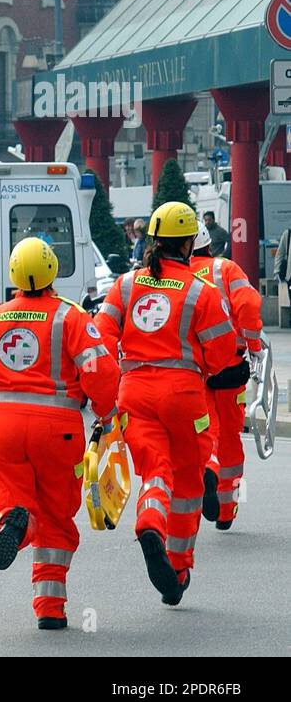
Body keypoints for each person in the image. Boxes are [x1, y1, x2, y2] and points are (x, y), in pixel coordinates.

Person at [0, 238, 120, 630]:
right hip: (57, 433)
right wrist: (106, 413)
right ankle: (49, 605)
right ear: (53, 272)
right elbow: (100, 373)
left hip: (1, 428)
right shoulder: (72, 318)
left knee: (6, 500)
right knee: (56, 515)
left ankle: (13, 522)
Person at [94, 202, 237, 606]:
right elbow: (223, 350)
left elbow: (100, 337)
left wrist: (112, 385)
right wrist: (200, 366)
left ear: (153, 240)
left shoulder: (124, 285)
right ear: (190, 243)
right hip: (185, 395)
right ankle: (177, 565)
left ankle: (149, 522)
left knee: (155, 472)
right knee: (190, 481)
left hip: (134, 392)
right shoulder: (201, 291)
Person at [190, 223, 261, 530]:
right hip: (231, 367)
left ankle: (208, 466)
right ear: (209, 244)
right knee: (231, 436)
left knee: (206, 430)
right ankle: (227, 509)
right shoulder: (226, 269)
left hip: (193, 370)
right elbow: (247, 304)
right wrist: (254, 343)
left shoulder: (173, 277)